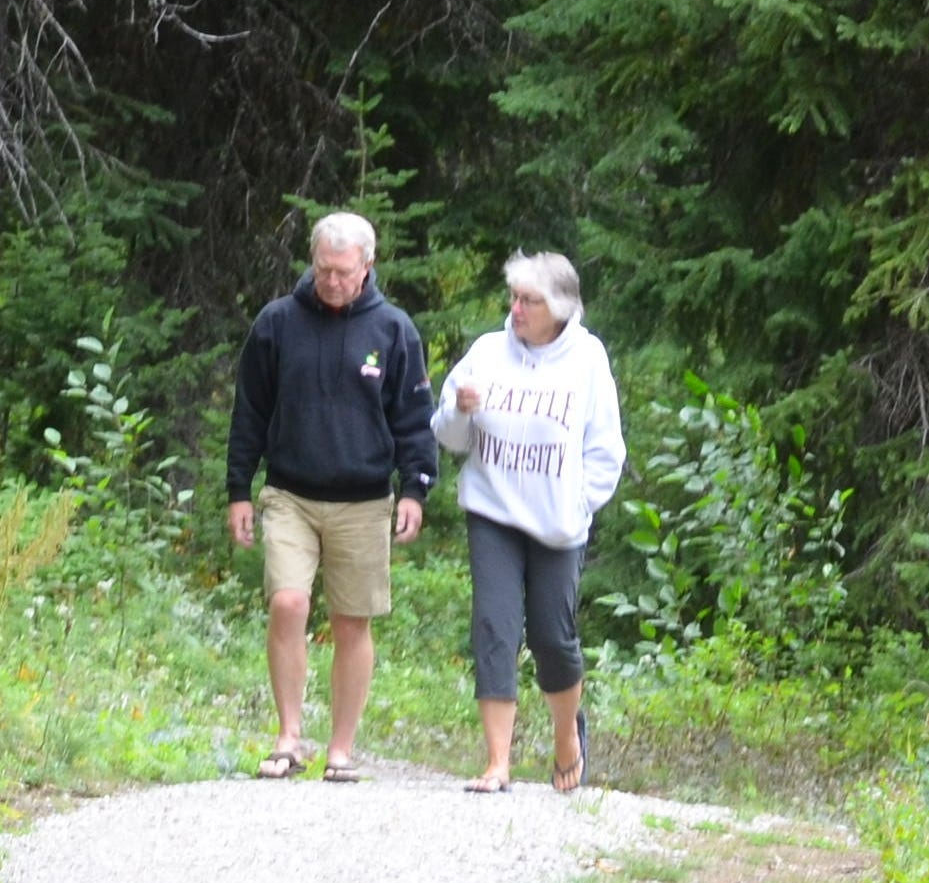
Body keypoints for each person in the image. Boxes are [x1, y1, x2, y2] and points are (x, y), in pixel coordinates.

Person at [222, 210, 435, 780]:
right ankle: (289, 735)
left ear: (367, 266)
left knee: (351, 620)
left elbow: (415, 417)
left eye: (343, 272)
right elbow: (249, 412)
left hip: (364, 498)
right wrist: (238, 490)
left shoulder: (393, 330)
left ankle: (340, 749)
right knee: (288, 603)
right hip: (290, 492)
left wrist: (415, 487)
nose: (333, 281)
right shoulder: (277, 323)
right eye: (323, 270)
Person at [433, 251, 626, 793]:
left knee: (551, 637)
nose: (516, 309)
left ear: (560, 308)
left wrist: (577, 503)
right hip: (492, 511)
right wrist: (459, 412)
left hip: (557, 524)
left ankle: (567, 735)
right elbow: (447, 437)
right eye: (514, 298)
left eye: (529, 301)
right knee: (493, 627)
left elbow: (606, 449)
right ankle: (497, 761)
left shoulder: (587, 359)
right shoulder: (486, 353)